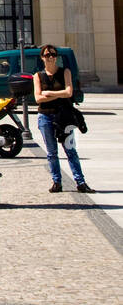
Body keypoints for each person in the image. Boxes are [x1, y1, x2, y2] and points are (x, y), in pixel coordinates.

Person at [33, 44, 94, 194]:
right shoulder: (38, 76)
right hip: (45, 117)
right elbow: (38, 98)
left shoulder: (65, 72)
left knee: (70, 150)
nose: (51, 57)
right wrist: (55, 94)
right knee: (52, 152)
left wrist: (49, 93)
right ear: (42, 58)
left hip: (64, 117)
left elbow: (69, 92)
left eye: (53, 54)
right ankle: (57, 182)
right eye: (47, 55)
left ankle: (80, 182)